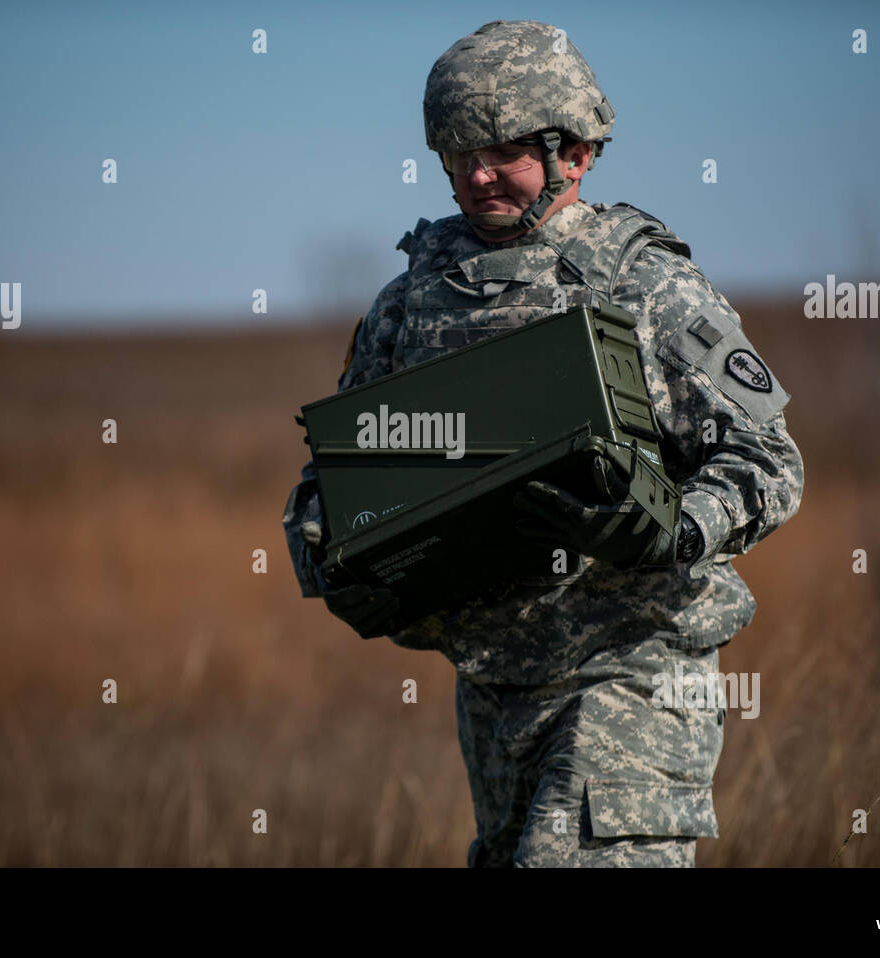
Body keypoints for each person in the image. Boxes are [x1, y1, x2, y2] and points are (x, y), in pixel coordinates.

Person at [281, 19, 804, 867]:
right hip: (491, 695)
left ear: (577, 152)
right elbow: (335, 480)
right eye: (458, 153)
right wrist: (335, 562)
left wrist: (673, 526)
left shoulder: (648, 284)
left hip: (629, 677)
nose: (478, 173)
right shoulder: (411, 301)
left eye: (506, 150)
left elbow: (769, 462)